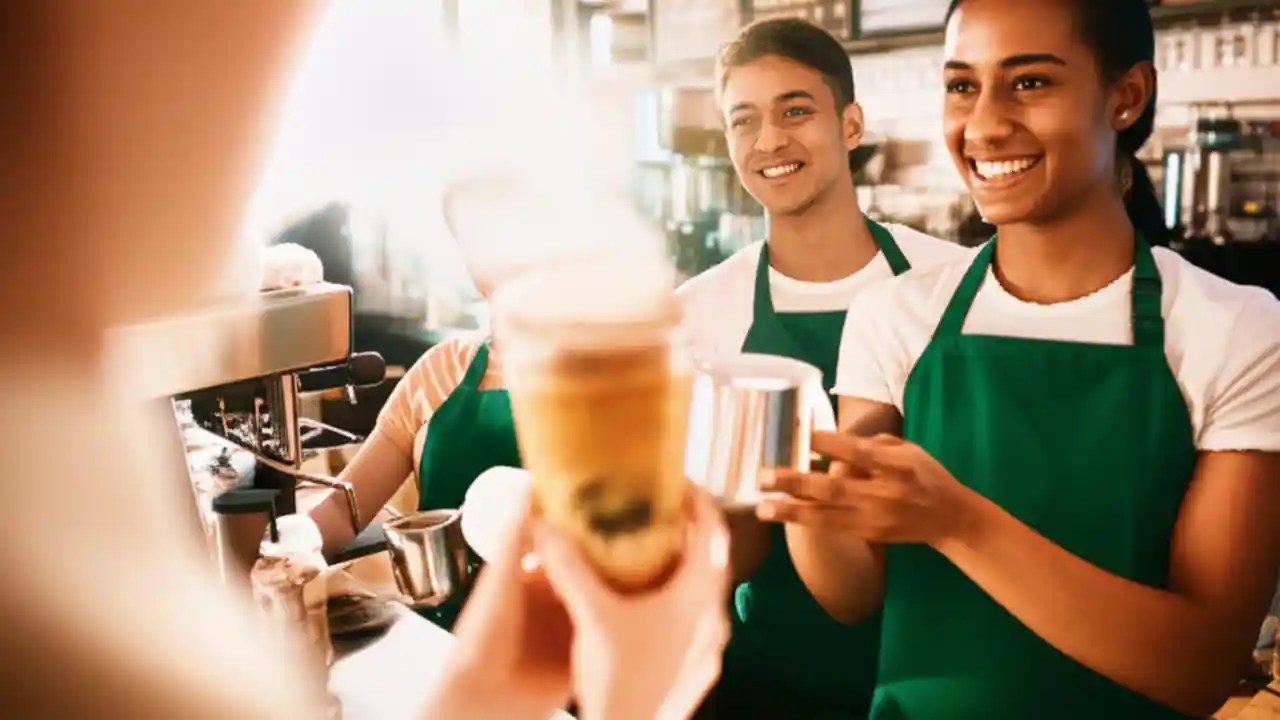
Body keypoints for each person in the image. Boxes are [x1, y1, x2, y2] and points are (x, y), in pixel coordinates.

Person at [0, 2, 726, 717]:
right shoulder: (444, 370)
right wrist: (297, 541)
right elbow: (351, 501)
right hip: (462, 648)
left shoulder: (635, 390)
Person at [762, 1, 1280, 718]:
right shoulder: (896, 317)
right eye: (962, 86)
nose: (984, 124)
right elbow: (854, 593)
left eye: (1030, 83)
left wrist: (959, 521)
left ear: (1126, 96)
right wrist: (797, 493)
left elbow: (1200, 667)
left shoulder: (1236, 329)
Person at [675, 18, 969, 718]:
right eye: (744, 120)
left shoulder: (952, 283)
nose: (769, 140)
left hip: (939, 664)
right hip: (765, 673)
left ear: (851, 123)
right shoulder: (697, 311)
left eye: (795, 111)